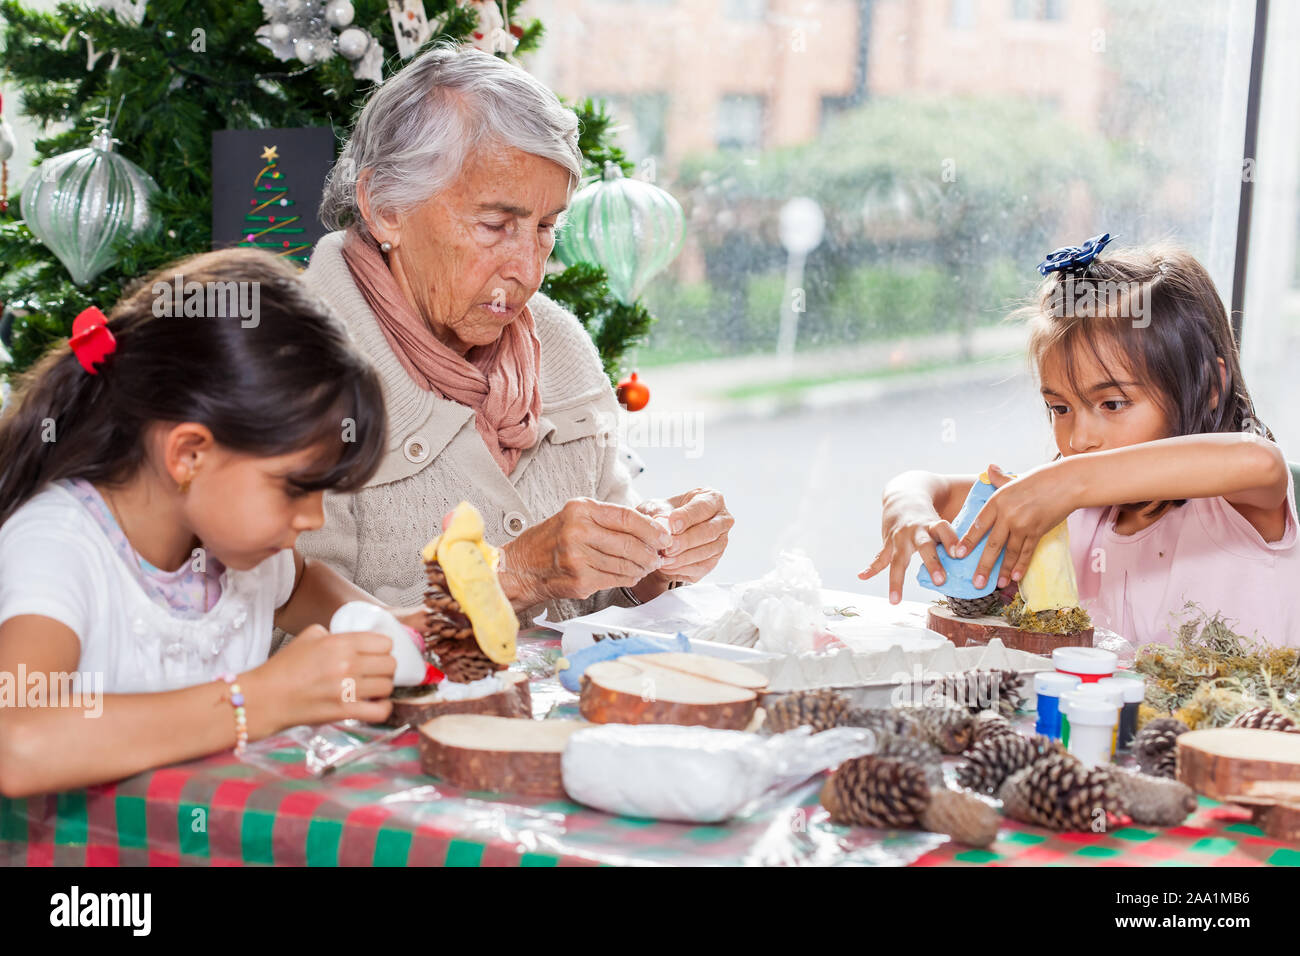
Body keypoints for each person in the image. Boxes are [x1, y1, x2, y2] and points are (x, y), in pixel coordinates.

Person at [299, 42, 732, 626]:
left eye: (547, 226)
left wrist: (648, 566)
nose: (529, 270)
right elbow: (284, 648)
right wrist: (512, 576)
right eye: (495, 224)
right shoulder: (290, 372)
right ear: (384, 208)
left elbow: (597, 599)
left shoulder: (558, 345)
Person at [0, 250, 421, 797]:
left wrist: (394, 625)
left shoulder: (239, 551)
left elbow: (301, 586)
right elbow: (16, 744)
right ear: (190, 454)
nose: (313, 519)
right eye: (296, 487)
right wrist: (261, 699)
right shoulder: (58, 549)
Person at [861, 236, 1297, 646]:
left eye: (1112, 404)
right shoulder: (1072, 512)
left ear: (1208, 387)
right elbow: (925, 484)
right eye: (1060, 408)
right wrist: (908, 507)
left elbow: (1259, 461)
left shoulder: (1237, 506)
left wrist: (1067, 483)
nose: (1080, 439)